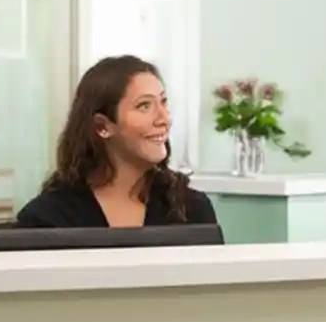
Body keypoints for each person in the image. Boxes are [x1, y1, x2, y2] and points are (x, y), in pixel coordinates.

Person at [17, 55, 218, 228]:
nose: (163, 118)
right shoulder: (48, 217)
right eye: (144, 106)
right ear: (102, 126)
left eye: (163, 102)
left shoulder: (191, 209)